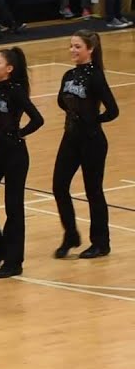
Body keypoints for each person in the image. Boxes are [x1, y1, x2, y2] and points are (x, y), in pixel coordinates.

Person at [0, 47, 44, 279]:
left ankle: (14, 262)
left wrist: (18, 133)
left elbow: (37, 119)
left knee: (14, 209)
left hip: (15, 156)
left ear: (9, 69)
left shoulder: (16, 91)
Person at [53, 30, 118, 259]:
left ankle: (101, 243)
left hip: (92, 141)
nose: (73, 50)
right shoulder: (69, 75)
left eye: (77, 47)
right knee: (59, 186)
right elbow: (62, 101)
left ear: (90, 49)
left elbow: (113, 110)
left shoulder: (96, 76)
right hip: (70, 138)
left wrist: (93, 120)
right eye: (71, 46)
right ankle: (71, 234)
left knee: (93, 191)